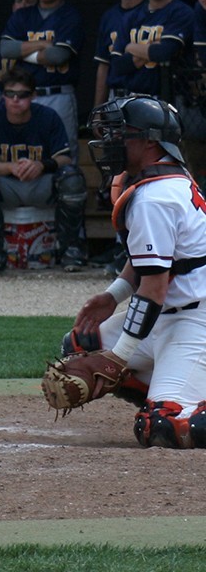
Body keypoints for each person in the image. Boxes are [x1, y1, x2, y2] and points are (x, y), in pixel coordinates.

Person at [69, 94, 206, 449]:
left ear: (148, 140)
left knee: (162, 427)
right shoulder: (160, 179)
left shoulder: (155, 198)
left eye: (119, 132)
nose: (109, 141)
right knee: (81, 347)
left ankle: (182, 394)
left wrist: (120, 355)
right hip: (167, 317)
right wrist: (112, 296)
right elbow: (151, 260)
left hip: (194, 322)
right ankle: (173, 381)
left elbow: (154, 288)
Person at [0, 68, 87, 274]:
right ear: (3, 96)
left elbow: (65, 157)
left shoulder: (47, 116)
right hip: (7, 185)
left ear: (33, 96)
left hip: (41, 183)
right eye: (10, 94)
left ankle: (70, 250)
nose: (15, 100)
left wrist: (42, 165)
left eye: (22, 95)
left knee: (72, 179)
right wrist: (9, 167)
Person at [0, 0, 84, 144]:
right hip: (27, 96)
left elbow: (58, 56)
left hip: (59, 95)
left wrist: (23, 51)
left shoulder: (70, 16)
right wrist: (42, 45)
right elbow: (5, 49)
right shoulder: (23, 15)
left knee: (64, 155)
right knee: (28, 151)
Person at [108, 0, 194, 99]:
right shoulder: (131, 17)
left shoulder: (181, 12)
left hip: (170, 98)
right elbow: (117, 65)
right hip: (133, 97)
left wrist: (131, 47)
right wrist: (150, 48)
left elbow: (163, 53)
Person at [94, 0, 146, 107]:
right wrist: (98, 108)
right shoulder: (109, 16)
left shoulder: (150, 10)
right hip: (115, 96)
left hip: (145, 94)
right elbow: (104, 66)